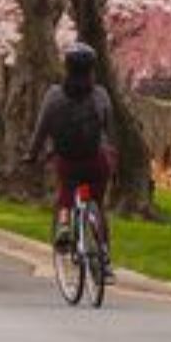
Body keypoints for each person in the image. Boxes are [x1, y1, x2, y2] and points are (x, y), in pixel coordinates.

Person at [20, 42, 115, 259]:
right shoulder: (100, 95)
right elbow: (109, 131)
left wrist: (32, 155)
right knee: (98, 205)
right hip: (96, 161)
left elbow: (41, 129)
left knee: (65, 195)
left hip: (68, 161)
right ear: (92, 68)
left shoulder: (54, 95)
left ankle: (63, 225)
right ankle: (104, 256)